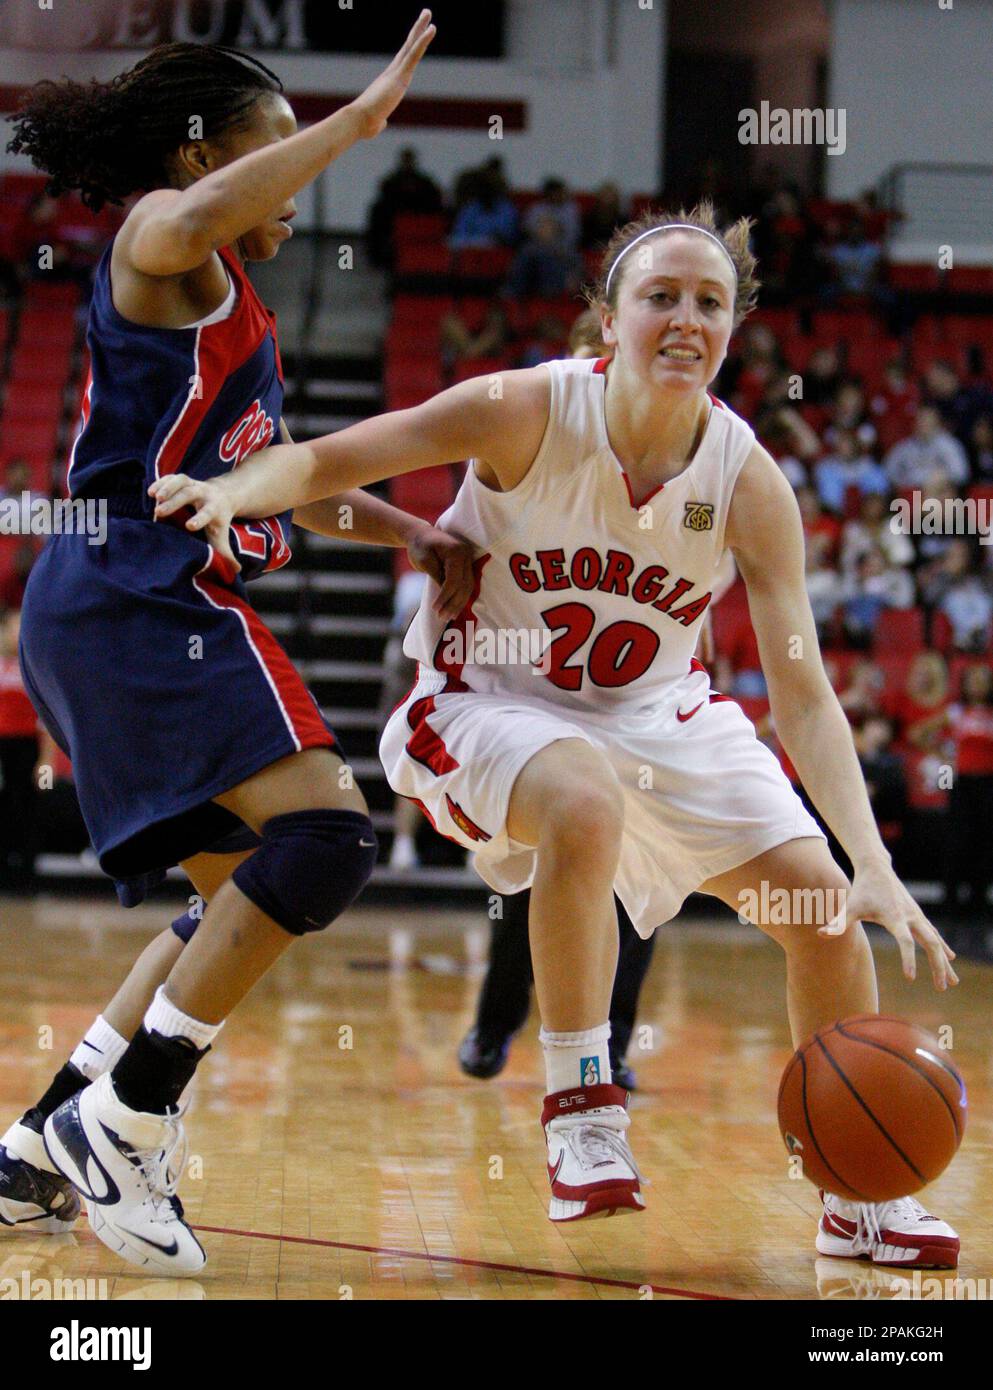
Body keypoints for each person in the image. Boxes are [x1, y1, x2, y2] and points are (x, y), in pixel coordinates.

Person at [154, 202, 961, 1266]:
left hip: (661, 716)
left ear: (735, 327)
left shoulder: (749, 481)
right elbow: (323, 463)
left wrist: (871, 862)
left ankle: (858, 1195)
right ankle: (584, 1107)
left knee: (820, 910)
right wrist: (228, 489)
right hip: (485, 700)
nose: (685, 318)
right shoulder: (522, 409)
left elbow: (803, 692)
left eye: (709, 302)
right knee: (580, 795)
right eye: (660, 296)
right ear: (609, 318)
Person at [0, 16, 479, 1272]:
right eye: (281, 152)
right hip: (137, 586)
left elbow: (287, 481)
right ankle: (132, 1116)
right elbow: (198, 211)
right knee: (325, 834)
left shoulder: (239, 309)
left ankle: (47, 1136)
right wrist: (359, 121)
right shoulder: (163, 240)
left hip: (109, 599)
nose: (305, 183)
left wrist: (410, 538)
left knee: (236, 892)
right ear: (209, 152)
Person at [0, 608, 39, 892]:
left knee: (25, 806)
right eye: (12, 628)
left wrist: (46, 762)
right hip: (2, 747)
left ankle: (26, 874)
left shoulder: (33, 667)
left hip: (27, 747)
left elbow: (45, 719)